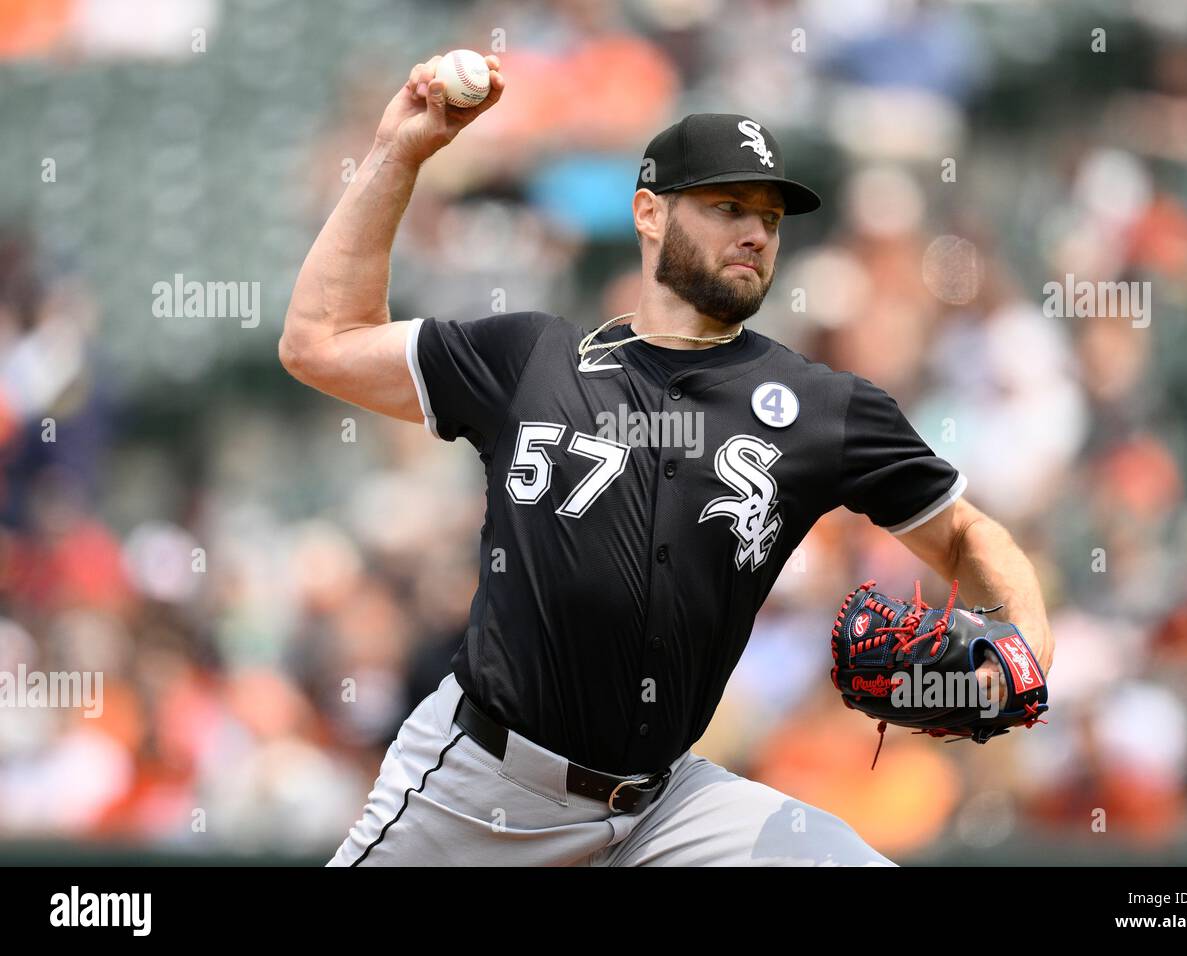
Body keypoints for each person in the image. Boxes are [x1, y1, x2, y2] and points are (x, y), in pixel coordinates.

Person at [279, 55, 1055, 866]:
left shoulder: (824, 408)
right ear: (649, 212)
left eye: (771, 216)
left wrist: (1024, 650)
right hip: (480, 795)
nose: (756, 231)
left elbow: (967, 535)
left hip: (665, 810)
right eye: (728, 206)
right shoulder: (530, 358)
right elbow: (320, 342)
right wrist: (398, 154)